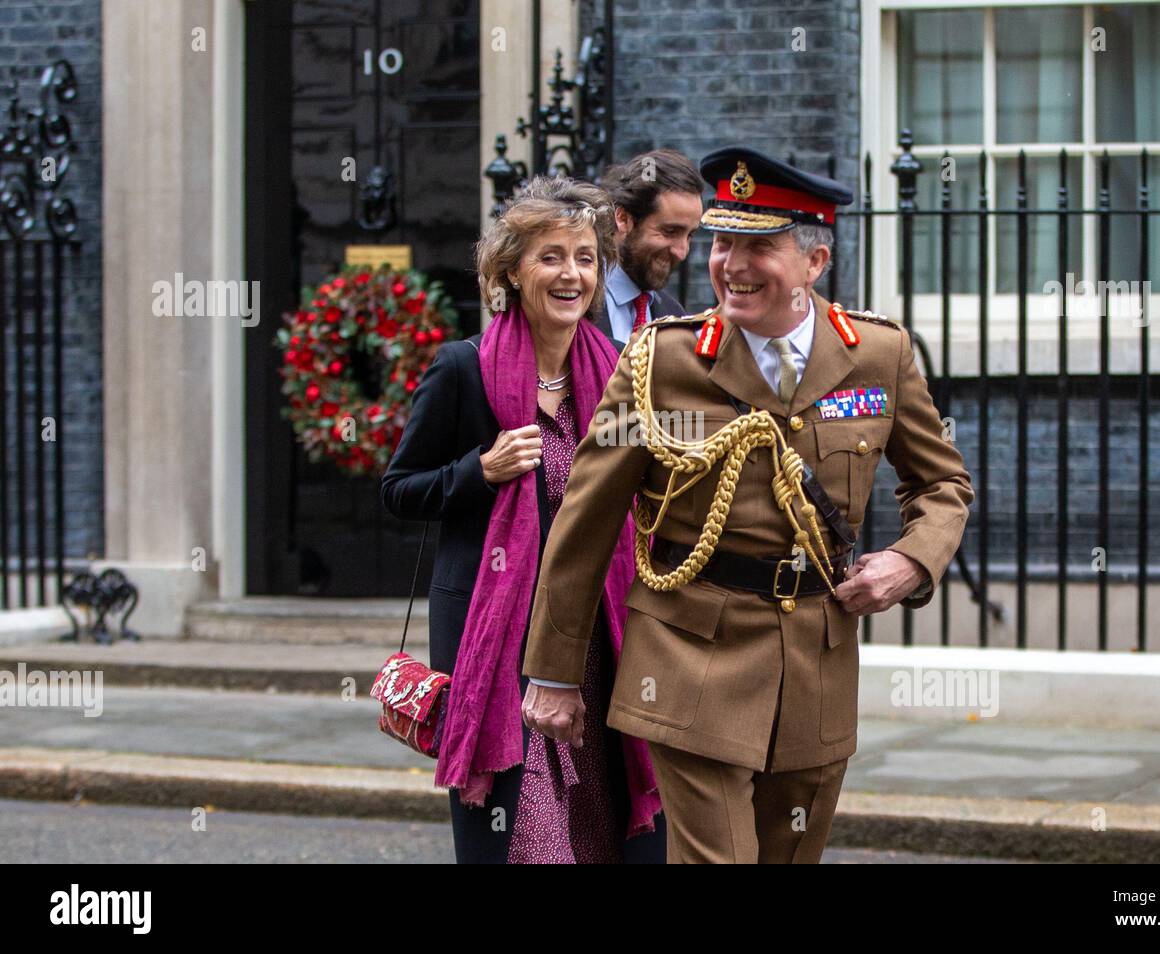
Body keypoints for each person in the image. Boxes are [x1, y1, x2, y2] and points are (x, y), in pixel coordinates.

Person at [519, 147, 973, 863]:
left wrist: (911, 562)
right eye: (722, 242)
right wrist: (551, 674)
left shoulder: (879, 355)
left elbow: (942, 484)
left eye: (758, 247)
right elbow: (586, 518)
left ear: (815, 263)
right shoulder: (659, 360)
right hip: (689, 653)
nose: (731, 265)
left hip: (816, 665)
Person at [379, 175, 665, 864]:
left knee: (605, 823)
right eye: (551, 256)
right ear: (512, 269)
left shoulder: (624, 374)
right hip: (499, 642)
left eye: (586, 257)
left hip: (600, 642)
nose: (572, 273)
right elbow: (397, 490)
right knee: (523, 833)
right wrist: (477, 471)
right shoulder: (464, 371)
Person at [591, 148, 705, 350]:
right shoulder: (573, 303)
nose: (682, 252)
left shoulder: (676, 317)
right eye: (670, 231)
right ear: (623, 218)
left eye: (690, 235)